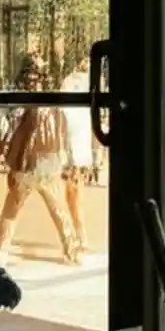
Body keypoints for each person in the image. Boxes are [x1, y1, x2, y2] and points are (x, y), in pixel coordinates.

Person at [0, 63, 81, 264]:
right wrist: (67, 163)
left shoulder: (28, 108)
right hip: (50, 162)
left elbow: (21, 138)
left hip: (30, 164)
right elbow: (64, 137)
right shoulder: (55, 108)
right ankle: (71, 249)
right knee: (57, 208)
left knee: (14, 205)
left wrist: (13, 164)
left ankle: (2, 245)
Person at [60, 57, 95, 252]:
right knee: (73, 196)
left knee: (72, 196)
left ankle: (79, 235)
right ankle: (78, 234)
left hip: (75, 151)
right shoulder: (82, 83)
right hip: (77, 151)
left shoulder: (73, 83)